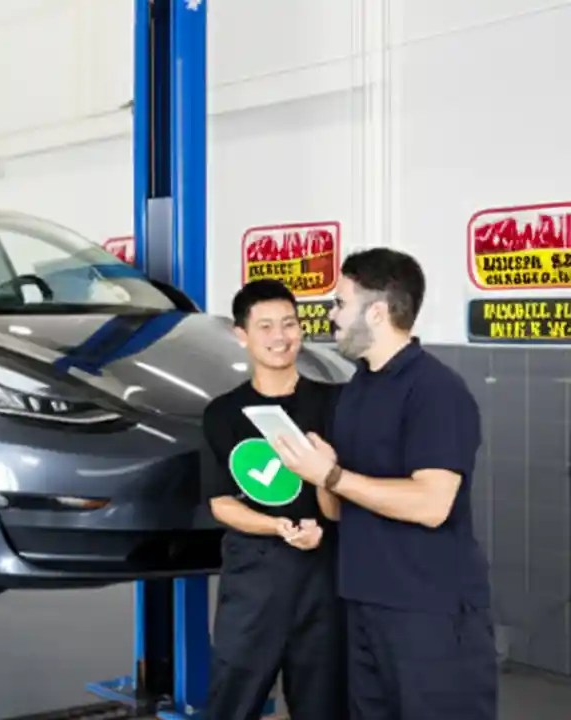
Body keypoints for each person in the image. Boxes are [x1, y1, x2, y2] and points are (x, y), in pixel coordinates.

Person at [273, 248, 496, 720]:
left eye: (339, 303)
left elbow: (433, 503)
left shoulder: (436, 391)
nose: (330, 315)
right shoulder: (357, 388)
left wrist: (332, 474)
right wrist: (317, 473)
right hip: (363, 602)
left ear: (376, 311)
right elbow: (338, 511)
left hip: (428, 611)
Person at [200, 279, 347, 720]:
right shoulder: (223, 413)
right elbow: (220, 503)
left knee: (324, 705)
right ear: (241, 335)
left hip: (323, 579)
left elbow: (341, 502)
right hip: (253, 578)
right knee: (233, 701)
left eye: (288, 324)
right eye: (265, 326)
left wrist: (324, 479)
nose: (280, 337)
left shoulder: (334, 403)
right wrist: (277, 526)